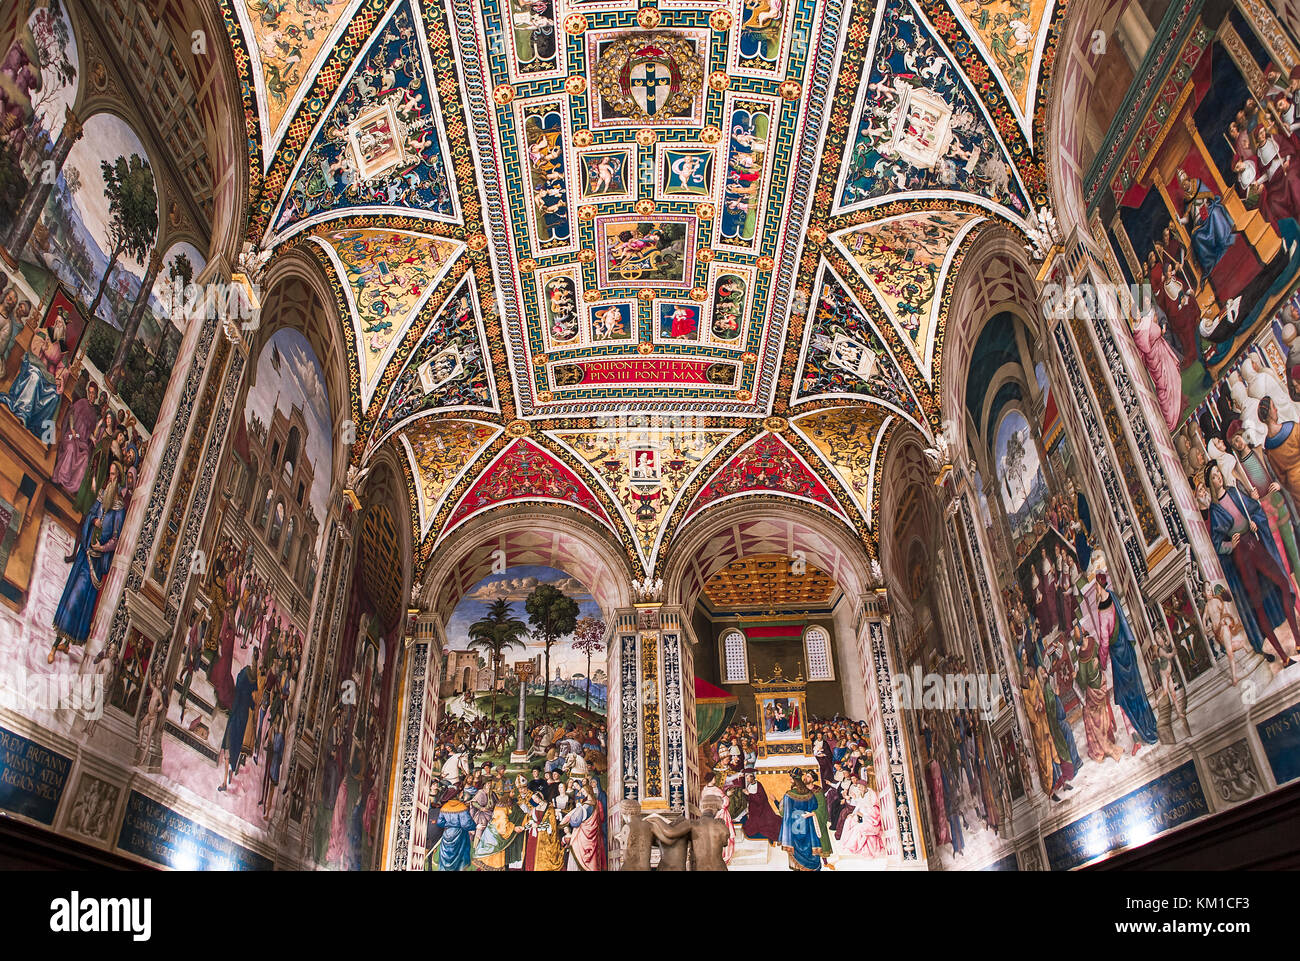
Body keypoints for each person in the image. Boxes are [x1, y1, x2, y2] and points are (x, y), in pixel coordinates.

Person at [1204, 464, 1300, 667]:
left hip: (1253, 544)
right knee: (1258, 604)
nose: (1218, 478)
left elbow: (1254, 510)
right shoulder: (1215, 509)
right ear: (1211, 483)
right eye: (1214, 477)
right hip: (1241, 555)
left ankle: (1298, 641)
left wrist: (1254, 522)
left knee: (1283, 584)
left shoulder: (1234, 492)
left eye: (1218, 474)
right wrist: (1231, 544)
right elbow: (1217, 544)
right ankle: (1283, 657)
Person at [51, 461, 125, 663]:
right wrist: (94, 522)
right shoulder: (101, 497)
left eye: (113, 476)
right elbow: (92, 513)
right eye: (109, 475)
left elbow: (116, 538)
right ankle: (56, 642)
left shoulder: (119, 508)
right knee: (72, 597)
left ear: (119, 479)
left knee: (81, 603)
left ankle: (67, 642)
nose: (110, 479)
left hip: (96, 561)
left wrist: (103, 548)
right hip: (85, 554)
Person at [778, 770, 827, 871]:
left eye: (791, 779)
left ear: (794, 781)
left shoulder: (788, 795)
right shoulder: (809, 793)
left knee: (797, 849)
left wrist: (785, 835)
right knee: (808, 846)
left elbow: (785, 814)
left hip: (795, 825)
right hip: (807, 824)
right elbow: (814, 806)